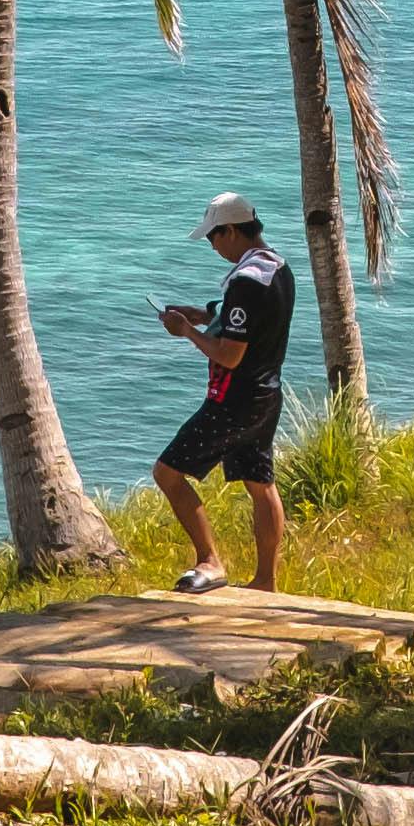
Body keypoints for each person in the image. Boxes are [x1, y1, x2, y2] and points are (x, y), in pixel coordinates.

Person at [152, 195, 299, 593]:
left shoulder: (245, 281)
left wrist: (187, 332)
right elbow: (250, 321)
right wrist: (206, 314)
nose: (213, 247)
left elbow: (230, 354)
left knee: (166, 473)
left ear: (231, 231)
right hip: (267, 394)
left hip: (232, 401)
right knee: (259, 483)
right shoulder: (277, 268)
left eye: (213, 238)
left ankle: (209, 561)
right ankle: (265, 580)